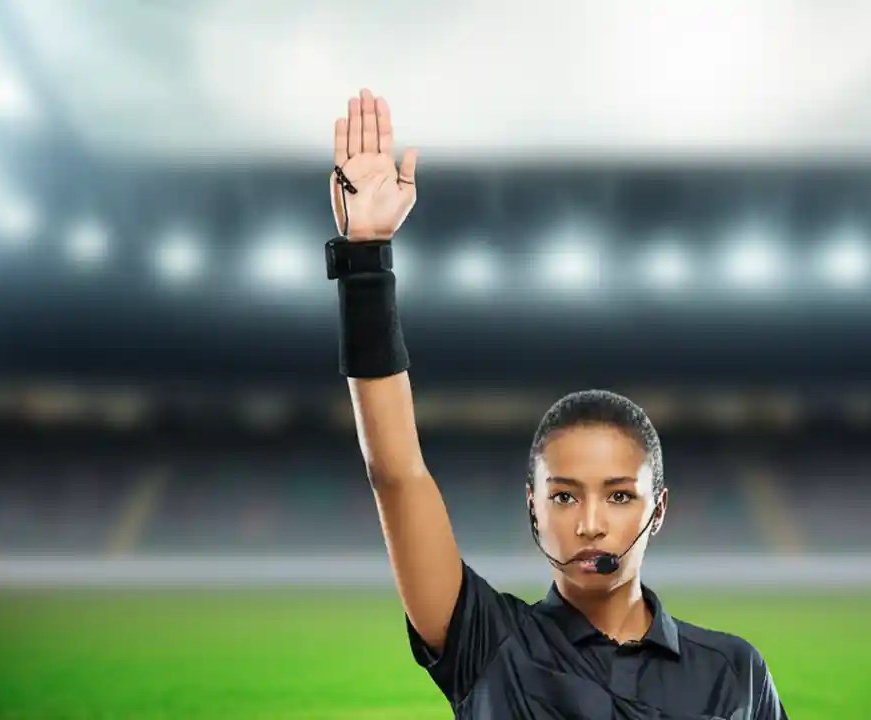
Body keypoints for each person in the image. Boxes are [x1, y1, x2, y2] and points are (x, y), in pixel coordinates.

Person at [327, 87, 787, 719]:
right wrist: (365, 259)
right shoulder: (486, 645)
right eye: (564, 495)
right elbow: (397, 473)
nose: (590, 522)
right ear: (533, 508)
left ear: (658, 510)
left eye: (620, 495)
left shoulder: (734, 673)